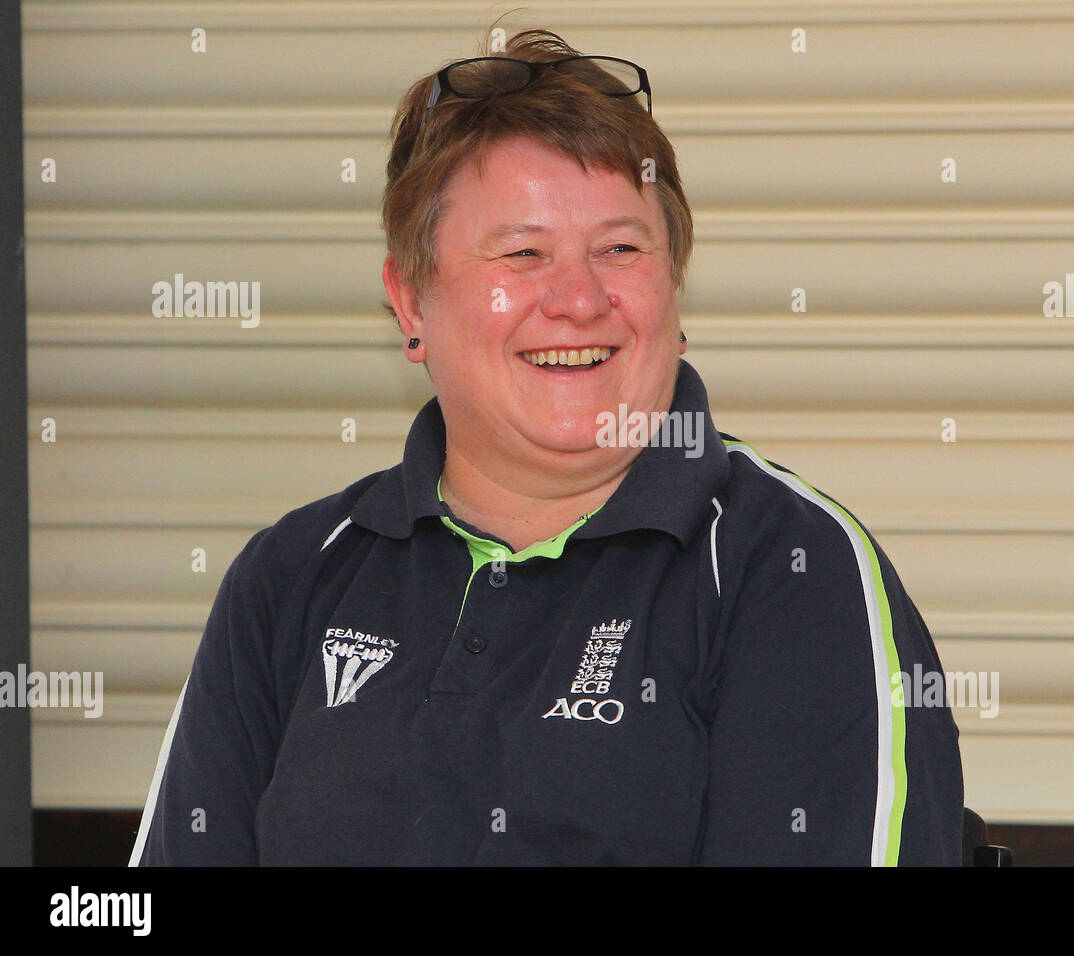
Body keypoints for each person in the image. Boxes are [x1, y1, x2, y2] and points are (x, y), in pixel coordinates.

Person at [130, 27, 963, 866]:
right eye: (523, 253)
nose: (578, 298)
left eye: (621, 249)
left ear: (675, 283)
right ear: (410, 302)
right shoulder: (292, 576)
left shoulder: (787, 569)